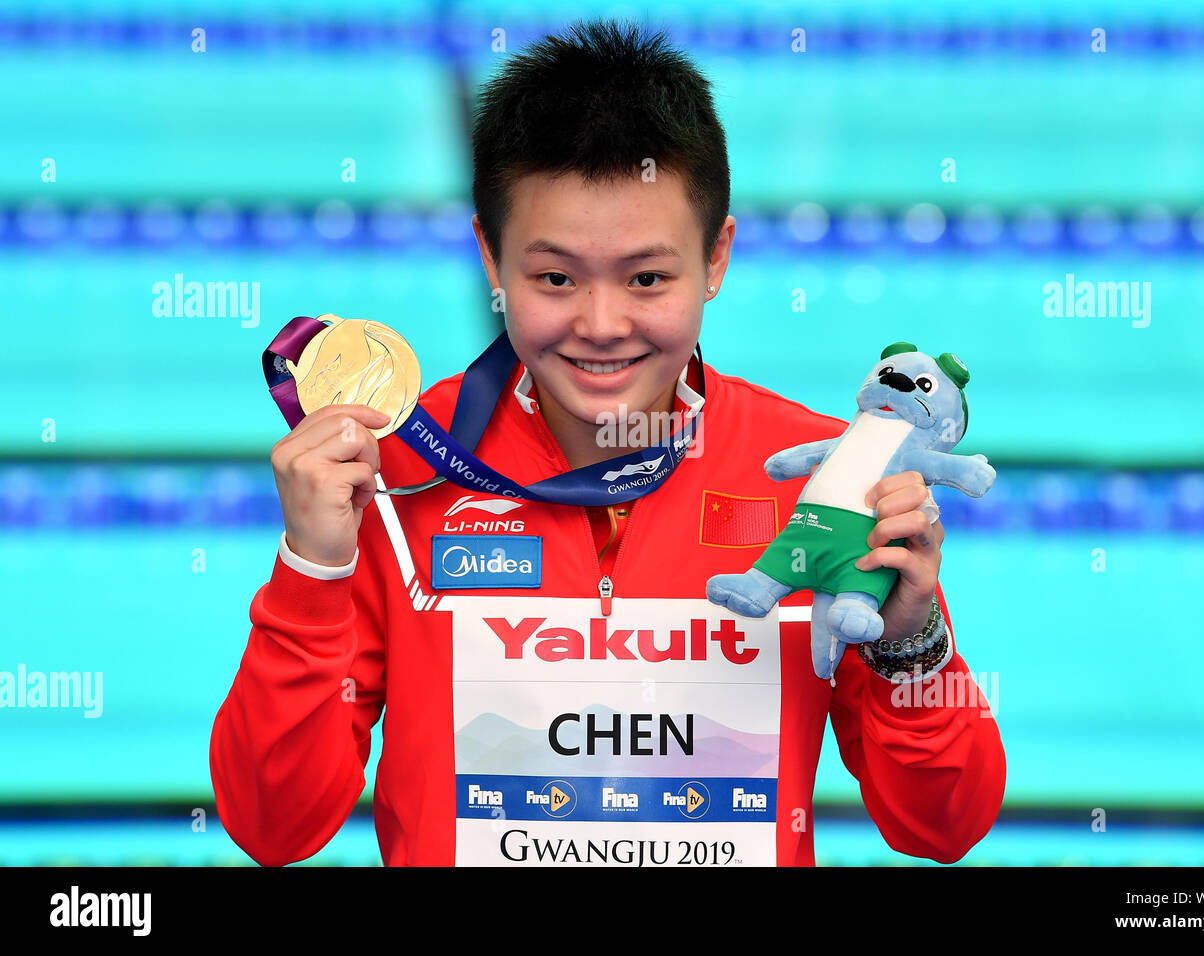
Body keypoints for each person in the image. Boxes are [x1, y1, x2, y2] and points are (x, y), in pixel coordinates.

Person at [210, 18, 1005, 867]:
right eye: (554, 277)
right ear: (490, 258)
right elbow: (274, 826)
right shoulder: (400, 472)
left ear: (717, 258)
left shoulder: (817, 480)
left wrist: (910, 647)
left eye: (647, 278)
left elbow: (944, 825)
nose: (599, 325)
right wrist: (311, 571)